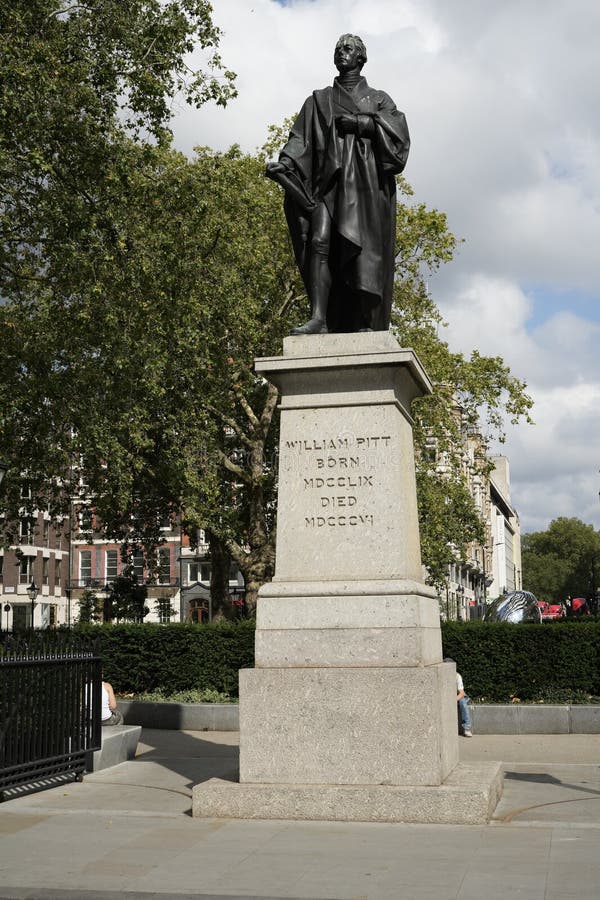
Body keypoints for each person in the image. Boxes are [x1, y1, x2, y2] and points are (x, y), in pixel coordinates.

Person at [266, 34, 410, 335]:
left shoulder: (379, 99)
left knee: (360, 252)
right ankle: (319, 317)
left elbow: (398, 141)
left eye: (348, 49)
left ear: (361, 58)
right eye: (337, 49)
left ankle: (364, 320)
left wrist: (363, 124)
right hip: (327, 186)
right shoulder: (318, 100)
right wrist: (287, 162)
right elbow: (299, 139)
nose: (341, 53)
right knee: (319, 242)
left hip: (364, 191)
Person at [444, 658, 472, 737]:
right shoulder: (441, 675)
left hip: (458, 696)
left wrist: (452, 700)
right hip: (447, 696)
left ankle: (467, 728)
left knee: (463, 702)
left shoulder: (457, 676)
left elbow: (461, 693)